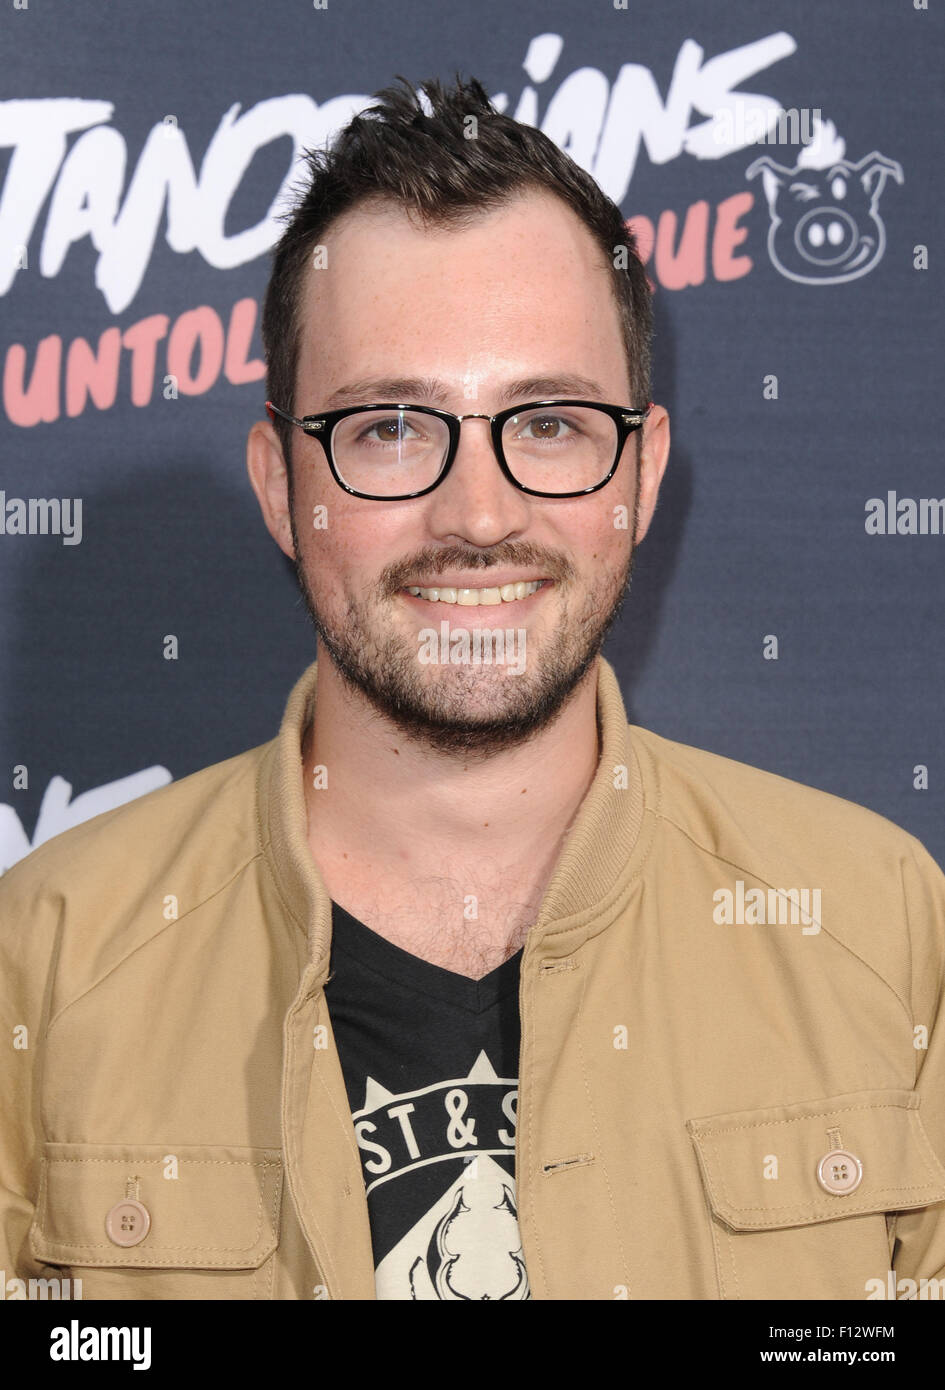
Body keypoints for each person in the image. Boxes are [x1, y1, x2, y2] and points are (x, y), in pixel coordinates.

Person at [1, 74, 944, 1304]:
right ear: (282, 485)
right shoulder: (44, 965)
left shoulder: (883, 932)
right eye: (392, 426)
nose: (479, 516)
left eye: (547, 422)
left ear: (642, 474)